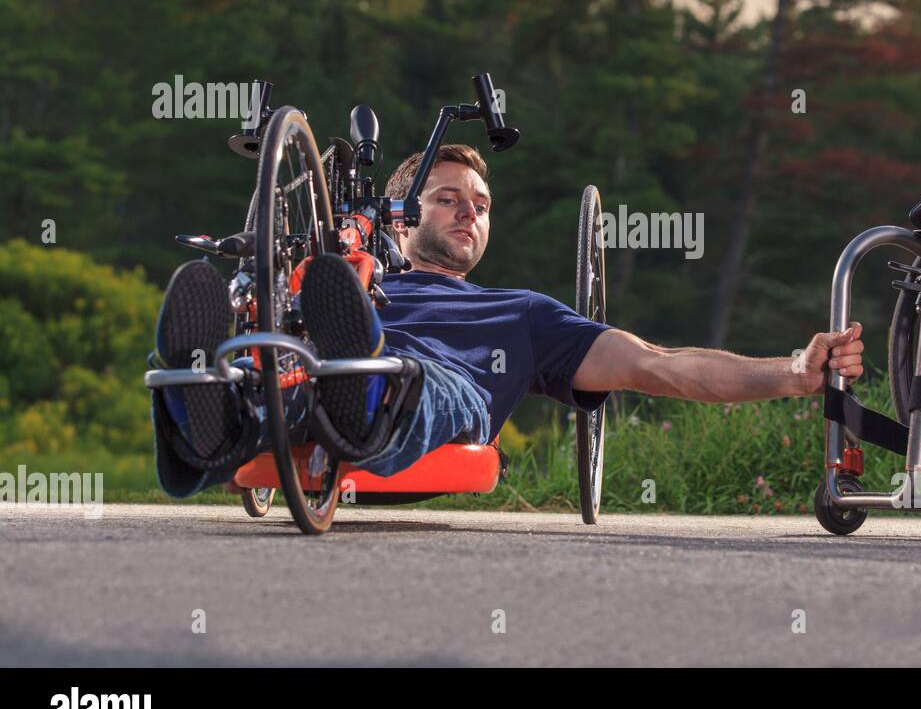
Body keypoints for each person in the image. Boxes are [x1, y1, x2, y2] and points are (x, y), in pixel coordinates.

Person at [149, 143, 865, 496]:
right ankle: (210, 409)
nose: (470, 212)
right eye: (448, 198)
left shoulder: (519, 314)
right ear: (399, 217)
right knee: (265, 360)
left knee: (413, 376)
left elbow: (658, 363)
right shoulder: (341, 270)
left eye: (481, 204)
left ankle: (359, 392)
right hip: (312, 350)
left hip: (429, 387)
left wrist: (795, 372)